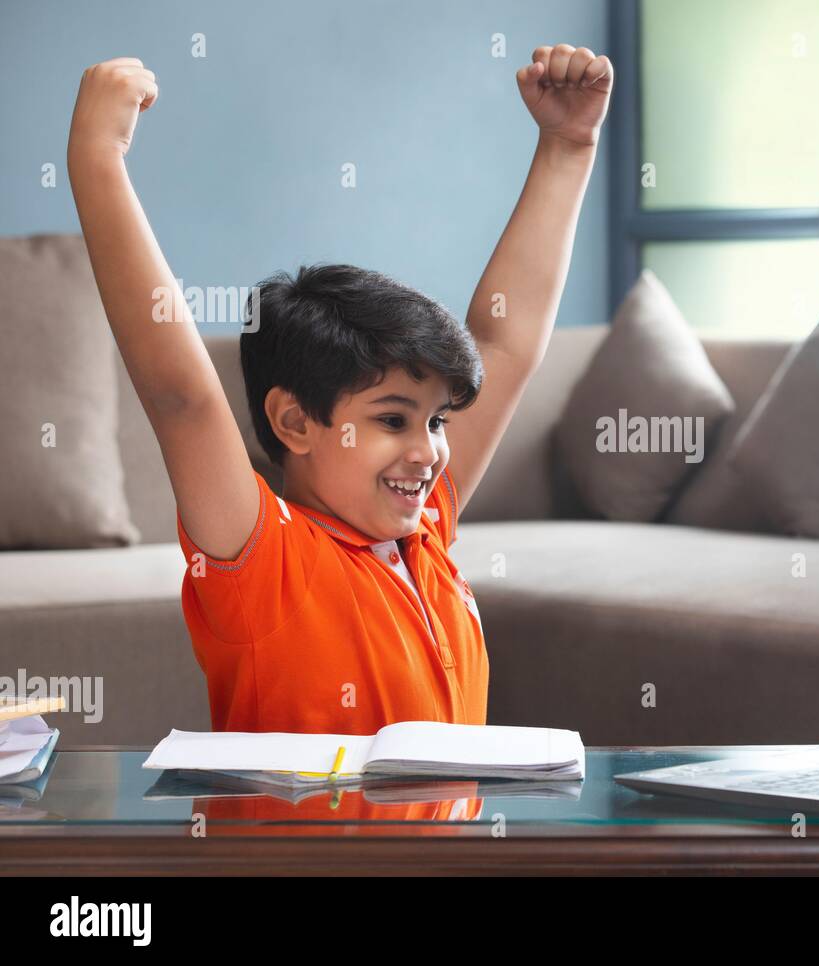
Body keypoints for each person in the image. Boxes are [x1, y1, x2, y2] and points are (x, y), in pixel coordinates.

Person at [66, 45, 612, 734]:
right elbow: (182, 398)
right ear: (294, 422)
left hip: (451, 847)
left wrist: (568, 147)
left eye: (437, 421)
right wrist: (97, 157)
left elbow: (504, 341)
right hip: (303, 850)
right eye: (392, 420)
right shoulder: (264, 563)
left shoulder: (426, 534)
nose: (429, 452)